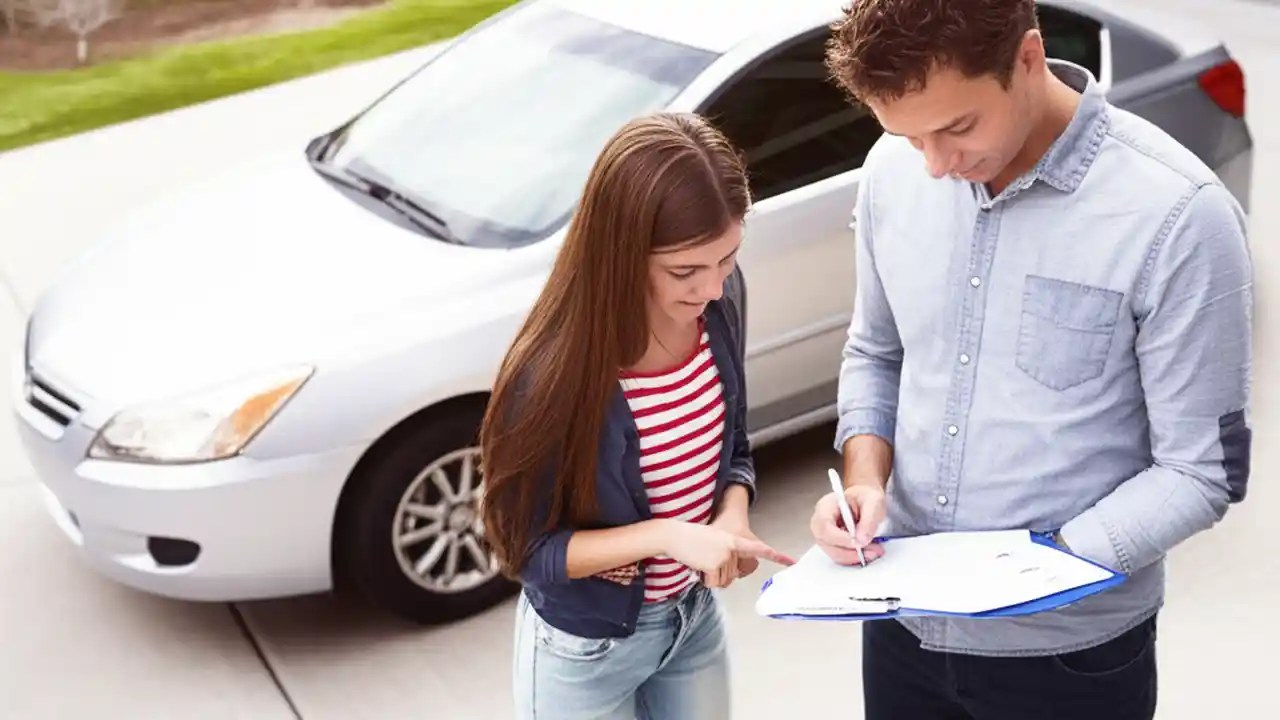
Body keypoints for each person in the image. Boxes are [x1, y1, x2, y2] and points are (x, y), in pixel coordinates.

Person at [808, 2, 1254, 719]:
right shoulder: (893, 172)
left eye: (958, 127)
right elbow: (876, 351)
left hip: (1070, 661)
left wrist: (1038, 569)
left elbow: (1200, 470)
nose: (935, 165)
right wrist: (864, 478)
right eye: (907, 134)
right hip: (901, 628)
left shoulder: (1179, 214)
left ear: (1028, 58)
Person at [479, 112, 795, 720]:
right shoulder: (551, 375)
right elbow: (523, 550)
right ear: (621, 254)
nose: (710, 288)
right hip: (586, 654)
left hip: (692, 622)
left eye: (727, 259)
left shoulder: (722, 303)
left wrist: (730, 518)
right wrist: (667, 536)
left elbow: (735, 451)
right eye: (684, 272)